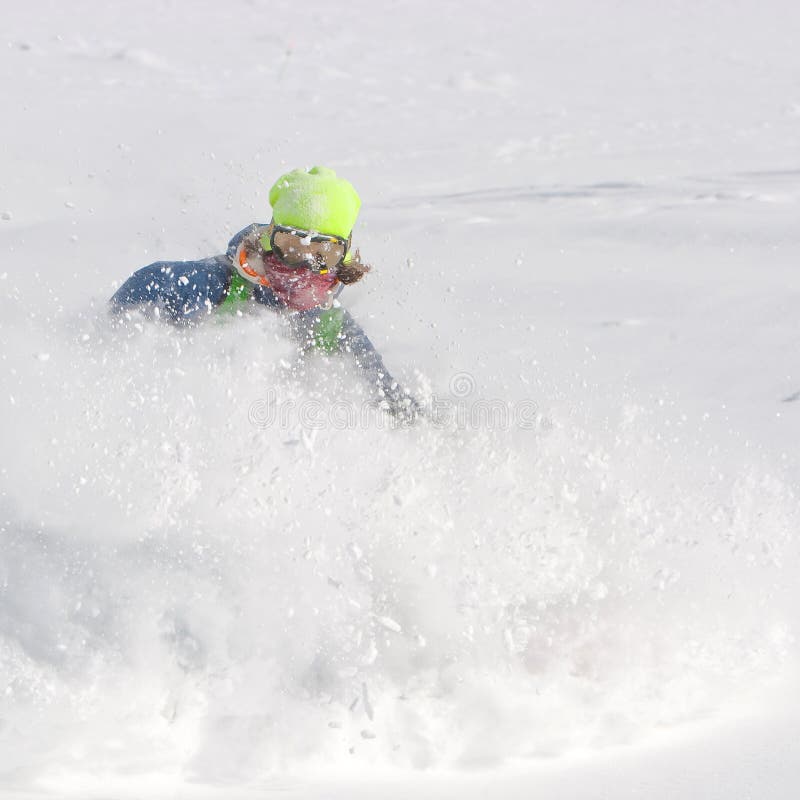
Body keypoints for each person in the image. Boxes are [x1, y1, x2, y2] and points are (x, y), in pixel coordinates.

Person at [110, 166, 419, 423]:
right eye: (292, 247)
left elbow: (386, 395)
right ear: (271, 238)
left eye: (324, 252)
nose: (305, 266)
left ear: (344, 255)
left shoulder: (331, 323)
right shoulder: (214, 284)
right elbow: (149, 282)